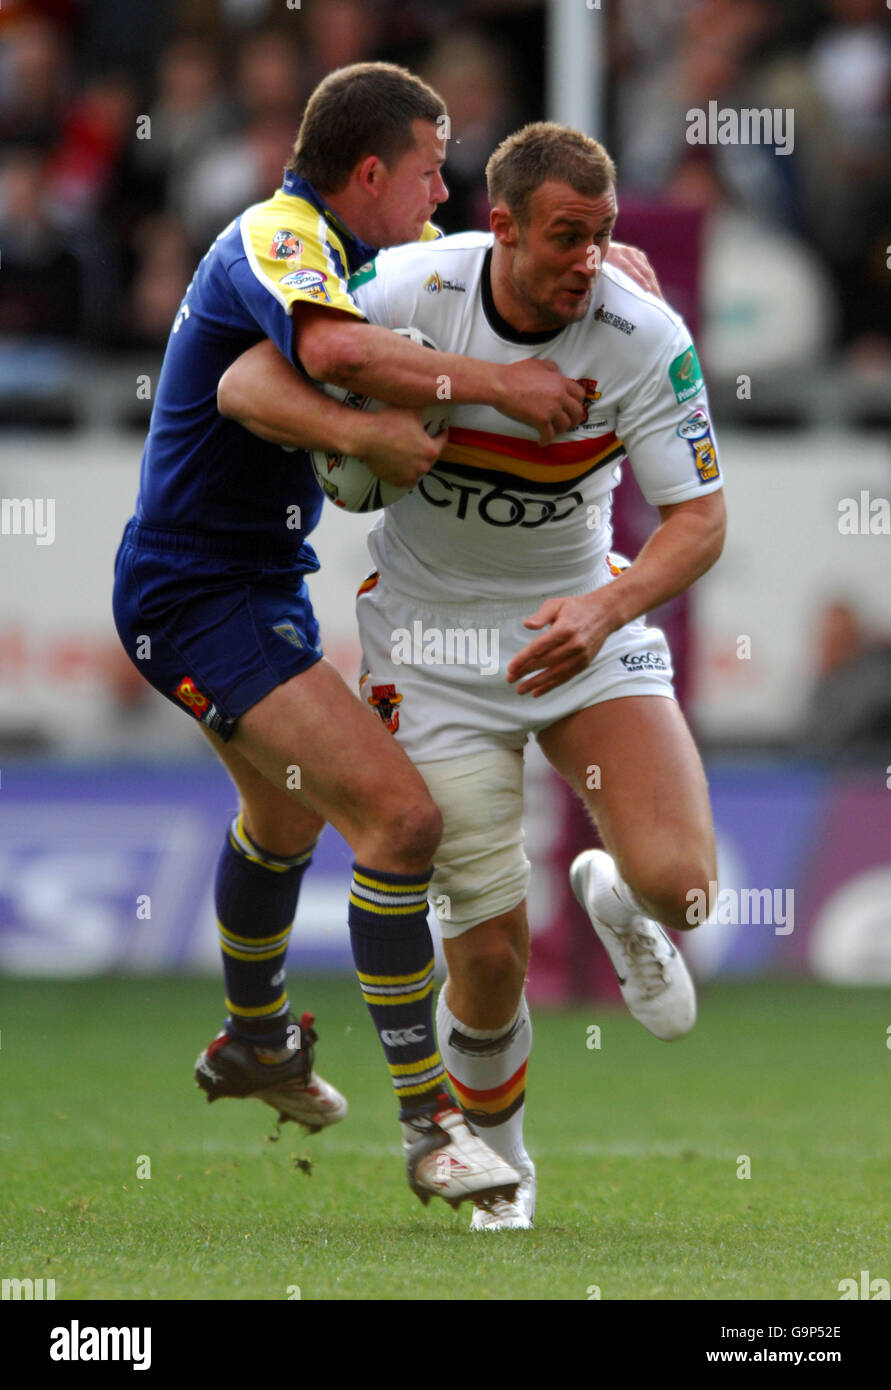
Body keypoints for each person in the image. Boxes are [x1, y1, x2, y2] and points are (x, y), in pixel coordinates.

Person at [217, 121, 726, 1230]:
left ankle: (624, 906)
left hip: (582, 618)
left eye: (602, 235)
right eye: (563, 237)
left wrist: (607, 606)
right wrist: (355, 427)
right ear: (497, 227)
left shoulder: (643, 331)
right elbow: (253, 372)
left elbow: (698, 520)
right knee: (487, 955)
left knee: (685, 885)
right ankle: (499, 1159)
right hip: (432, 648)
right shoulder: (403, 286)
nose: (587, 259)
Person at [112, 64, 592, 1215]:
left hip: (256, 581)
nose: (443, 196)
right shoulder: (280, 237)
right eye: (430, 170)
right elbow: (302, 364)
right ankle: (432, 1129)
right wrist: (489, 390)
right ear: (369, 171)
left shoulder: (347, 256)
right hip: (194, 592)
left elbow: (256, 381)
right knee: (401, 817)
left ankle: (254, 1038)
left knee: (283, 814)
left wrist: (605, 268)